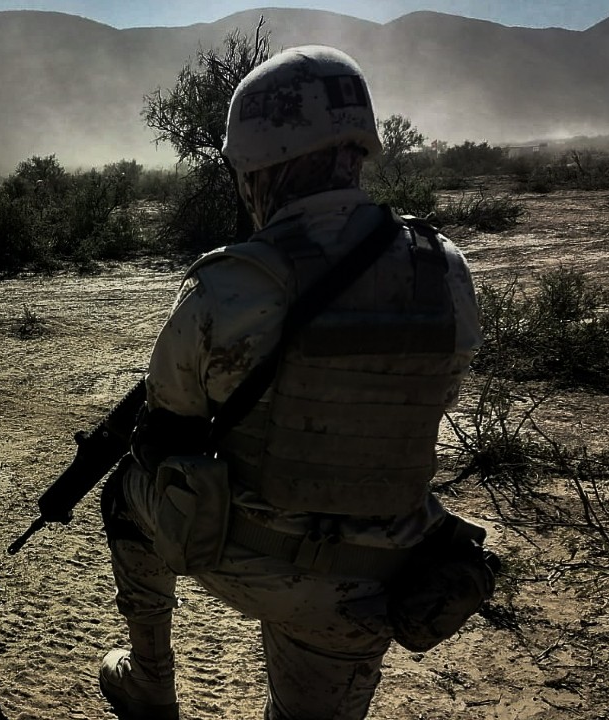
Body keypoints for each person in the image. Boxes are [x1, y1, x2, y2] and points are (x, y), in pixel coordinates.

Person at [97, 45, 484, 720]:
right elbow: (436, 397)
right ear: (359, 146)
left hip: (246, 556)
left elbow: (166, 432)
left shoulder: (233, 282)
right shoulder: (443, 268)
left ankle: (150, 683)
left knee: (125, 495)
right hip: (378, 580)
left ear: (252, 162)